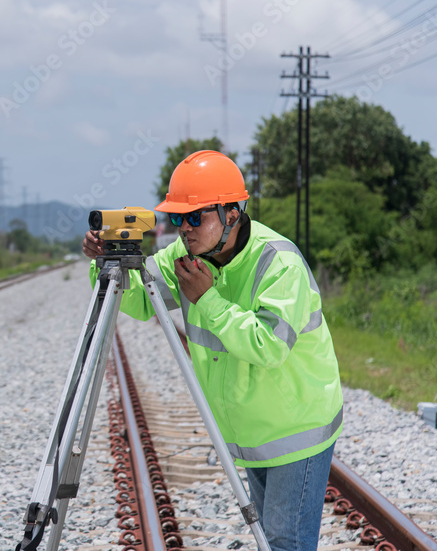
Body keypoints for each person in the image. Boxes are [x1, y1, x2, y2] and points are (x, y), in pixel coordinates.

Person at [82, 150, 343, 551]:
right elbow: (138, 300)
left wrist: (208, 300)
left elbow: (269, 346)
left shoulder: (279, 263)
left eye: (194, 217)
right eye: (177, 219)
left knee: (283, 542)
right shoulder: (185, 257)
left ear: (231, 213)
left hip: (296, 428)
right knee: (268, 540)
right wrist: (105, 264)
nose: (184, 229)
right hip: (251, 431)